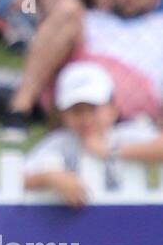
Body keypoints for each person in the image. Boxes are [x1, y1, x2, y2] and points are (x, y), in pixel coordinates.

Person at [1, 0, 163, 140]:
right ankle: (18, 112)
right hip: (75, 82)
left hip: (134, 93)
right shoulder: (94, 19)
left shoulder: (159, 23)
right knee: (67, 5)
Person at [23, 61, 163, 208]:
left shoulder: (123, 136)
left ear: (112, 110)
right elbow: (21, 175)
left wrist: (112, 151)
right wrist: (52, 177)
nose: (86, 119)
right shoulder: (60, 143)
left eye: (93, 109)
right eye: (76, 111)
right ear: (63, 115)